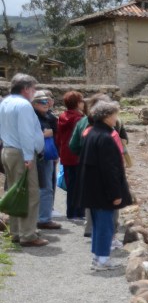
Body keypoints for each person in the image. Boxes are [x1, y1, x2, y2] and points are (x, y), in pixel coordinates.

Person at [78, 100, 132, 270]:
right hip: (103, 190)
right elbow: (110, 171)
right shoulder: (106, 138)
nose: (117, 118)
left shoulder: (91, 133)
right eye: (115, 115)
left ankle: (97, 257)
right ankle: (102, 260)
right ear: (107, 117)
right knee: (104, 225)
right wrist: (116, 194)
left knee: (98, 223)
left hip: (92, 188)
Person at [0, 73, 47, 246]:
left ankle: (16, 231)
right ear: (26, 89)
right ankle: (28, 234)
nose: (34, 92)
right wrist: (29, 156)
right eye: (33, 88)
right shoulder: (24, 105)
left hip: (7, 149)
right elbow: (26, 133)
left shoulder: (5, 102)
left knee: (14, 191)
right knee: (29, 193)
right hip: (21, 152)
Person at [32, 90, 61, 230]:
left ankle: (42, 216)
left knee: (46, 186)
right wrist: (46, 134)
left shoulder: (47, 116)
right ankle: (43, 219)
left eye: (47, 100)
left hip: (48, 155)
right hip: (40, 155)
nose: (46, 103)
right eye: (41, 101)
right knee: (45, 187)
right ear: (34, 103)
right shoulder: (34, 116)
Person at [56, 90, 86, 220]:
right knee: (80, 185)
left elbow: (59, 138)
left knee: (71, 185)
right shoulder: (79, 119)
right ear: (78, 103)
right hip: (77, 156)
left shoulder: (62, 117)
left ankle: (71, 212)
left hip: (65, 155)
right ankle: (79, 212)